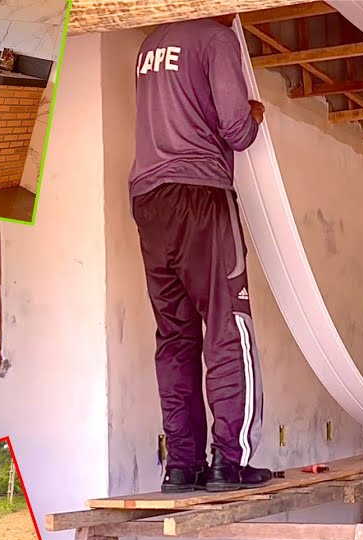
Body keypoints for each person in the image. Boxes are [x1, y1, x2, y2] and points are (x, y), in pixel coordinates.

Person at [129, 18, 275, 494]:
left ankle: (182, 466)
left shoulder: (150, 44)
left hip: (150, 202)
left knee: (174, 336)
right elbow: (236, 130)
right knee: (228, 325)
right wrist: (254, 114)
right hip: (202, 194)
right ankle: (228, 463)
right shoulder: (216, 38)